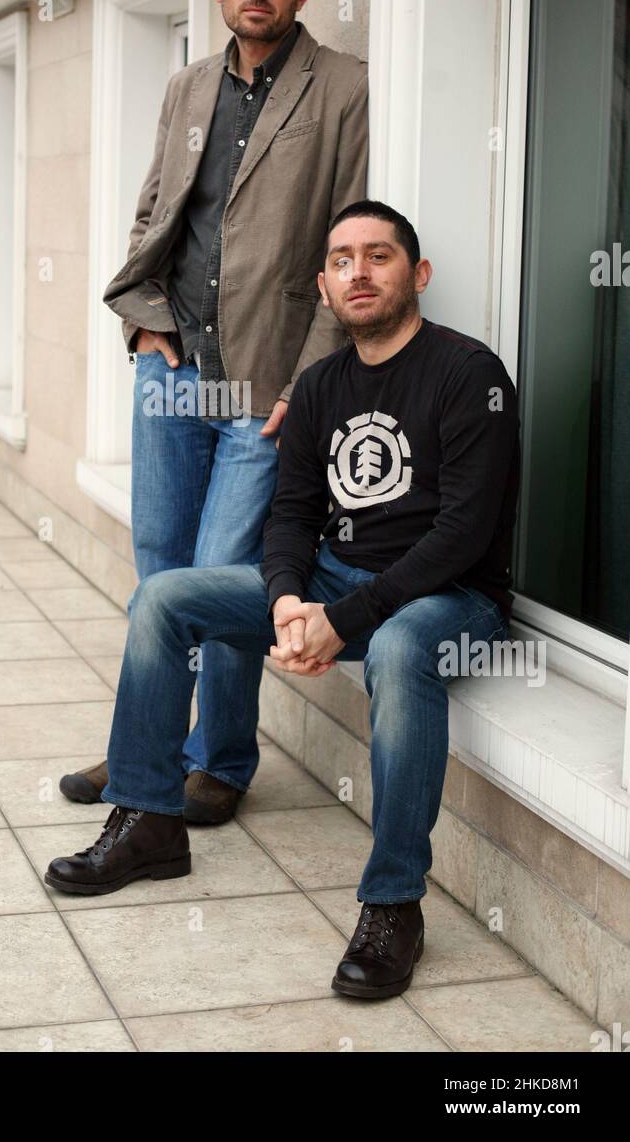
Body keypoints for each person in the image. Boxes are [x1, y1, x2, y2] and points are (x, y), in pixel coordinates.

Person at [47, 202, 521, 1001]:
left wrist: (344, 621)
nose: (359, 272)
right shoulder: (323, 384)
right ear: (324, 289)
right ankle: (149, 820)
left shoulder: (469, 373)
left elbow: (463, 533)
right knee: (165, 598)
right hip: (336, 583)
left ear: (419, 275)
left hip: (448, 598)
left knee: (403, 651)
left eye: (379, 256)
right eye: (342, 260)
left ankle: (393, 903)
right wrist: (289, 602)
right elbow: (293, 514)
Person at [59, 0, 368, 823]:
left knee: (229, 579)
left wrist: (306, 386)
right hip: (174, 374)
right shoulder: (187, 85)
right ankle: (146, 753)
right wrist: (147, 335)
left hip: (266, 386)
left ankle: (221, 763)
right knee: (159, 570)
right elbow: (154, 212)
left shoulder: (344, 88)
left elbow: (347, 243)